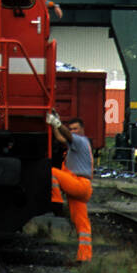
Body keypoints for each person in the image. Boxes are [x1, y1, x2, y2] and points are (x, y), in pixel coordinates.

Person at [46, 112, 93, 263]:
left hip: (79, 184)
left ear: (82, 130)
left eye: (75, 129)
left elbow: (67, 135)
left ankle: (56, 200)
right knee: (82, 224)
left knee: (52, 171)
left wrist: (56, 123)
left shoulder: (80, 141)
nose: (73, 131)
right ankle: (84, 257)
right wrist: (55, 125)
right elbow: (61, 138)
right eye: (71, 129)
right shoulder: (75, 144)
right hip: (81, 188)